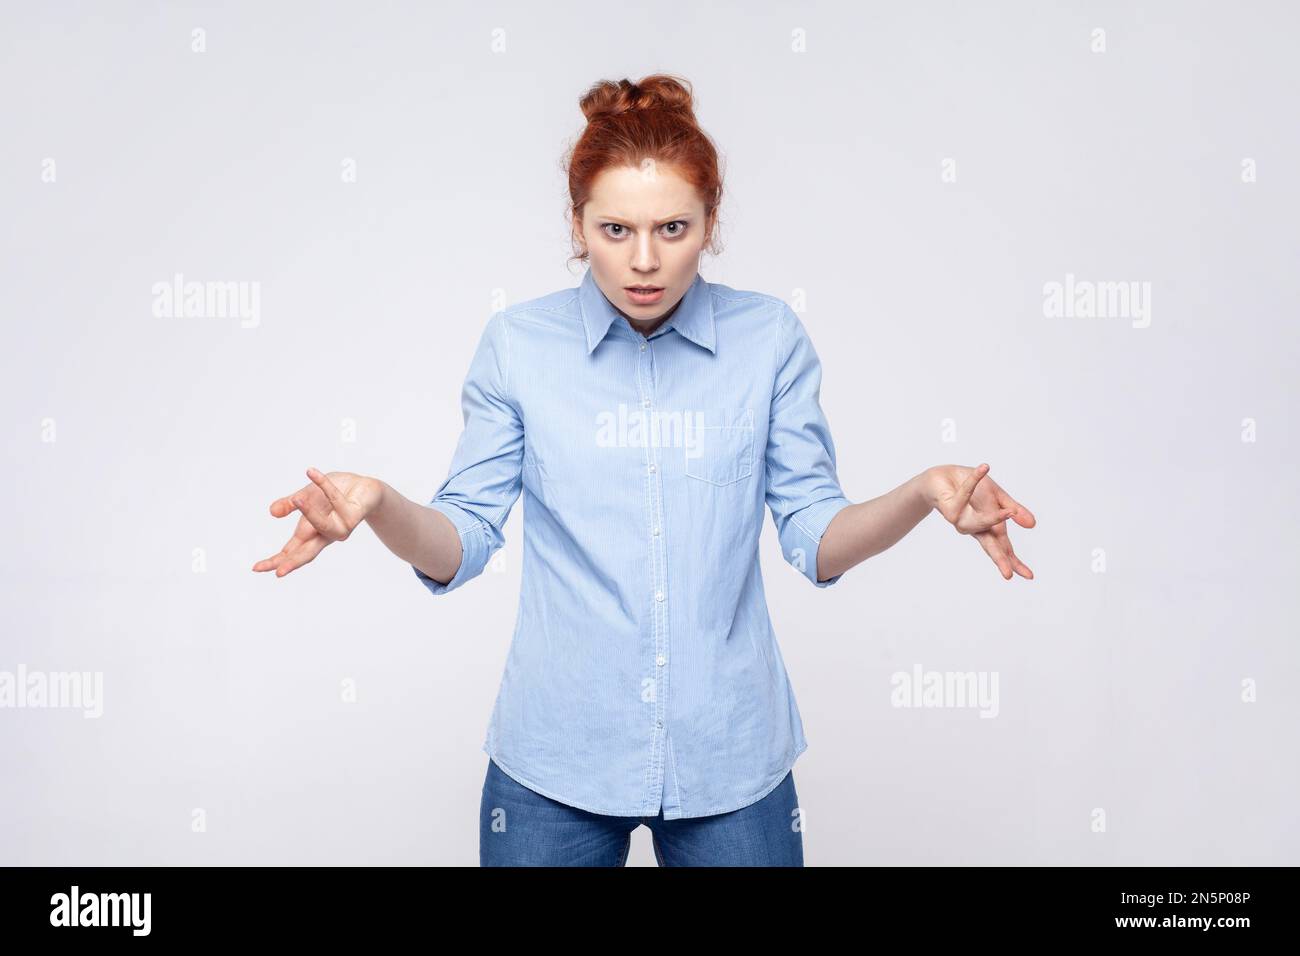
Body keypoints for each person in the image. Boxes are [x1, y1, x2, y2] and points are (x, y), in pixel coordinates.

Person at [253, 74, 1036, 866]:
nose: (645, 260)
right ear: (577, 223)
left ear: (711, 222)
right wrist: (382, 504)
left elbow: (815, 537)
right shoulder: (519, 346)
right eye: (616, 229)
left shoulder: (767, 340)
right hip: (553, 762)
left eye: (673, 227)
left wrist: (923, 496)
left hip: (732, 758)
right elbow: (462, 539)